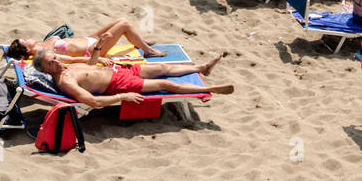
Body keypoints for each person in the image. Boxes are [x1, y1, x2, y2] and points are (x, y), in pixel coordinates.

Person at [32, 50, 234, 107]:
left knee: (161, 67)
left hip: (119, 70)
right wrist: (123, 97)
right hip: (118, 84)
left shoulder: (67, 66)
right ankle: (212, 89)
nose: (57, 62)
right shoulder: (65, 82)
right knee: (165, 84)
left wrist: (97, 50)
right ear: (46, 70)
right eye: (51, 63)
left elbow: (90, 68)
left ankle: (202, 68)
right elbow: (92, 102)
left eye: (55, 57)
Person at [7, 19, 167, 64]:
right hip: (93, 49)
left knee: (121, 20)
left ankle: (139, 41)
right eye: (25, 41)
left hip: (91, 38)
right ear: (26, 50)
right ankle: (148, 51)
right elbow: (71, 59)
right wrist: (95, 58)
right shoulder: (44, 53)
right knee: (124, 25)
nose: (27, 38)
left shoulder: (42, 43)